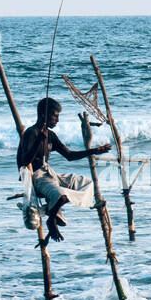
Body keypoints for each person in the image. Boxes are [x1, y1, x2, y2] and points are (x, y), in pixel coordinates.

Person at [16, 97, 110, 241]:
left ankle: (50, 210)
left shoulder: (50, 135)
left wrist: (94, 151)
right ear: (44, 115)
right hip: (36, 177)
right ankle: (51, 219)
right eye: (55, 115)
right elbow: (24, 161)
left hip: (49, 173)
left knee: (86, 184)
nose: (57, 120)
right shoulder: (32, 133)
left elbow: (69, 155)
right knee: (61, 195)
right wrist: (37, 143)